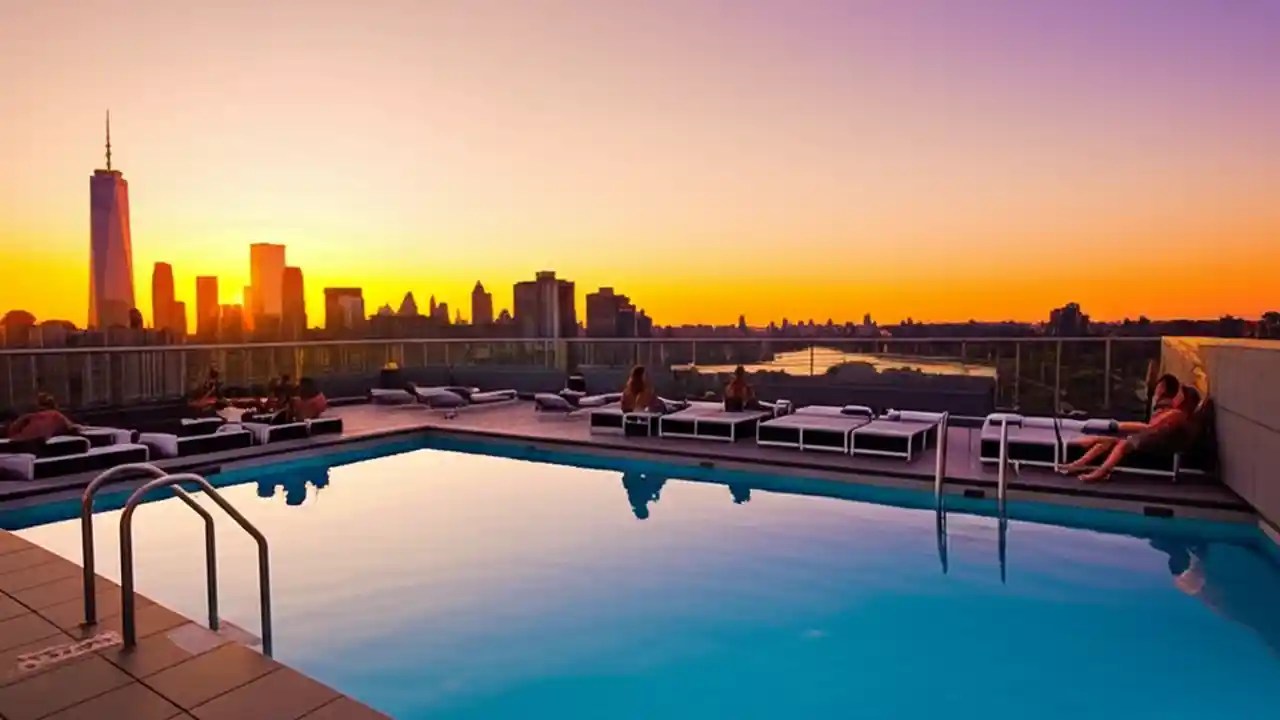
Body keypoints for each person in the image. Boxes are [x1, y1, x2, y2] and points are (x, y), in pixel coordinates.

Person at [1062, 385, 1201, 482]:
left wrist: (1125, 429)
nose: (1175, 397)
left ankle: (1100, 472)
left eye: (1179, 395)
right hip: (1153, 438)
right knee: (1106, 440)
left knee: (1122, 443)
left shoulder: (1177, 414)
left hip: (1157, 442)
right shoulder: (1176, 413)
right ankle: (1078, 465)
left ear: (1184, 400)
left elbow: (1151, 426)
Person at [5, 393, 76, 450]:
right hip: (33, 447)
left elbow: (11, 431)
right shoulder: (56, 415)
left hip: (15, 446)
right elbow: (72, 427)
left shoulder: (28, 417)